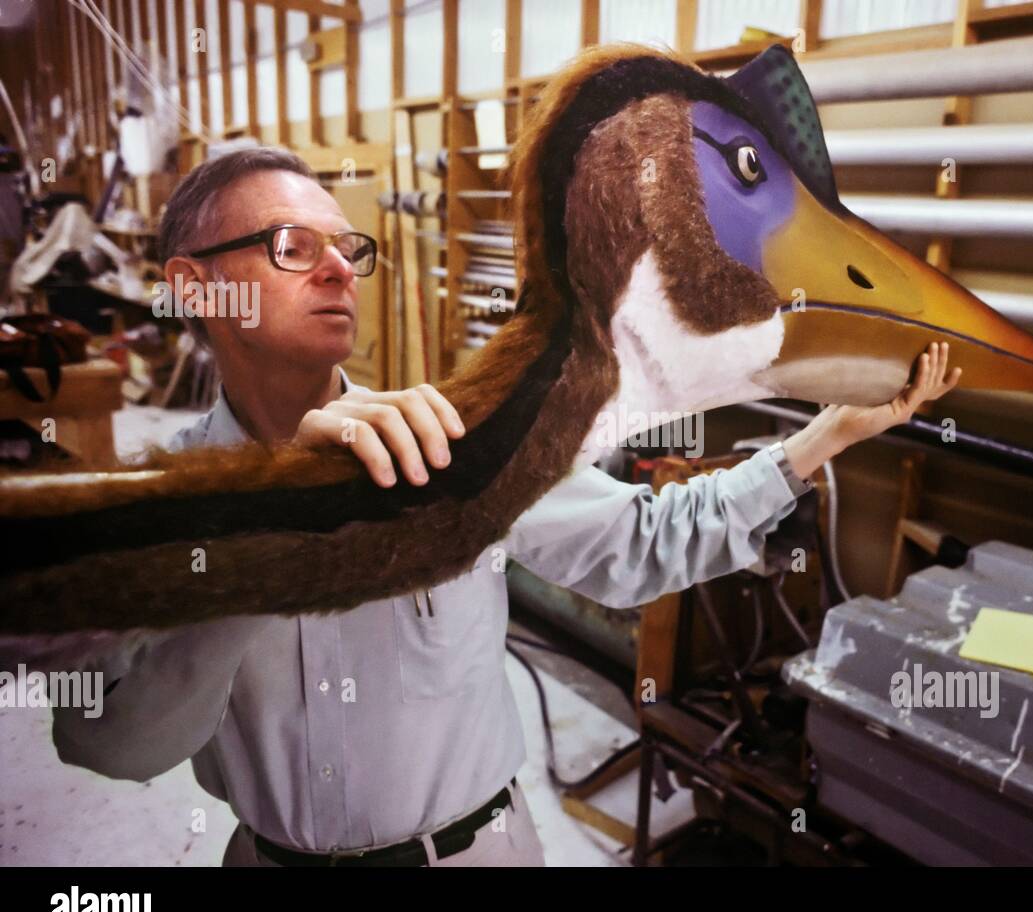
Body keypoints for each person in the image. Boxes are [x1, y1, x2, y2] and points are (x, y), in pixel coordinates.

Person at [52, 147, 959, 867]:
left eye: (348, 246)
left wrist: (824, 440)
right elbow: (111, 745)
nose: (340, 267)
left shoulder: (452, 446)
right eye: (292, 246)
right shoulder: (157, 504)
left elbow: (641, 545)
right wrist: (271, 533)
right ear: (196, 287)